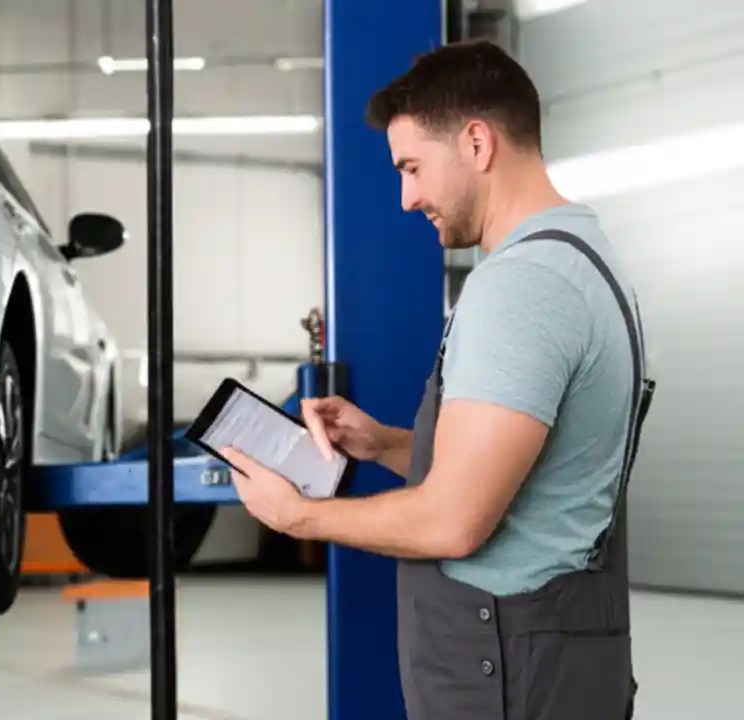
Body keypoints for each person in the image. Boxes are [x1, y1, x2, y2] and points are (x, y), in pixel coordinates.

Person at [222, 40, 655, 719]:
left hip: (505, 672)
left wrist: (295, 515)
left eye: (412, 167)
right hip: (559, 658)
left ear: (477, 143)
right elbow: (537, 469)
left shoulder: (522, 286)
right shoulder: (585, 258)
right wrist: (386, 444)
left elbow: (454, 521)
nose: (406, 198)